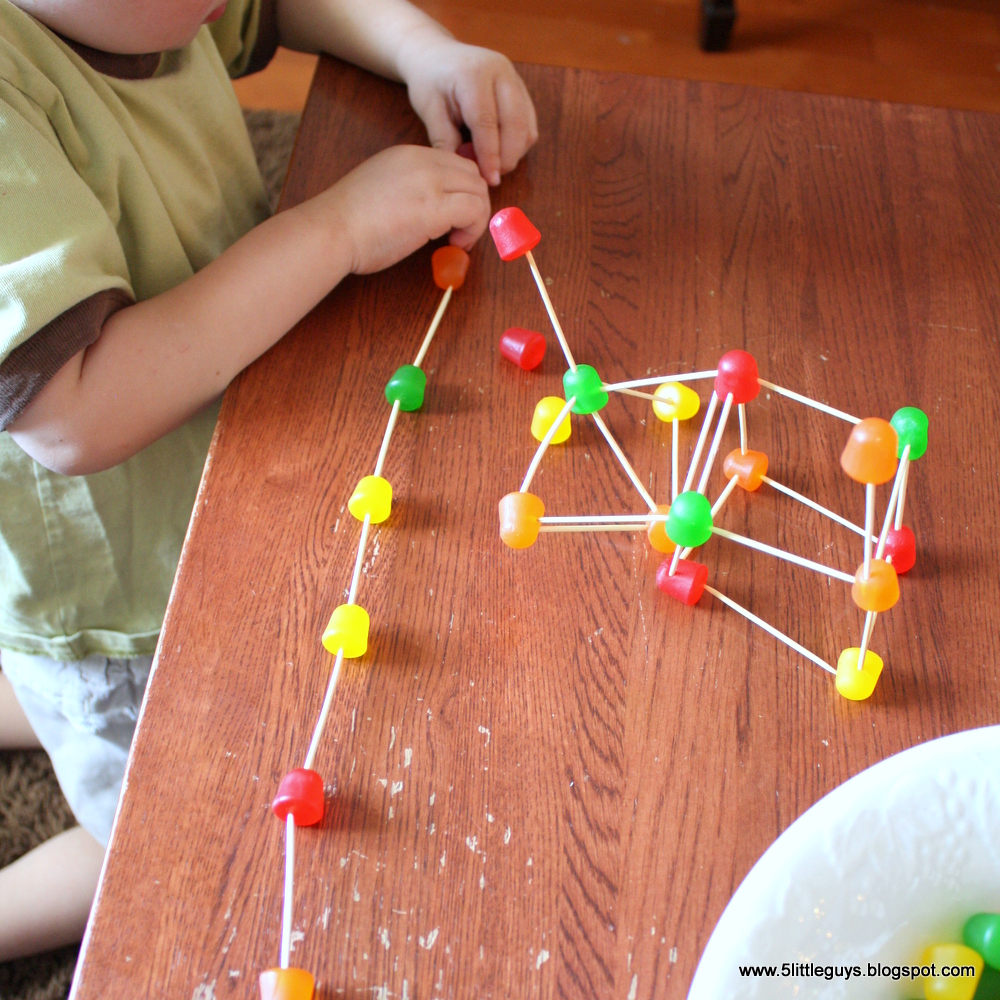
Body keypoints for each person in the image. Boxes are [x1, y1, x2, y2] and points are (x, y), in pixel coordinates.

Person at [0, 0, 537, 961]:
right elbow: (76, 416)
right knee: (181, 827)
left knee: (66, 696)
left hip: (227, 445)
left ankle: (41, 696)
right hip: (131, 588)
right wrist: (335, 230)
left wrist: (425, 48)